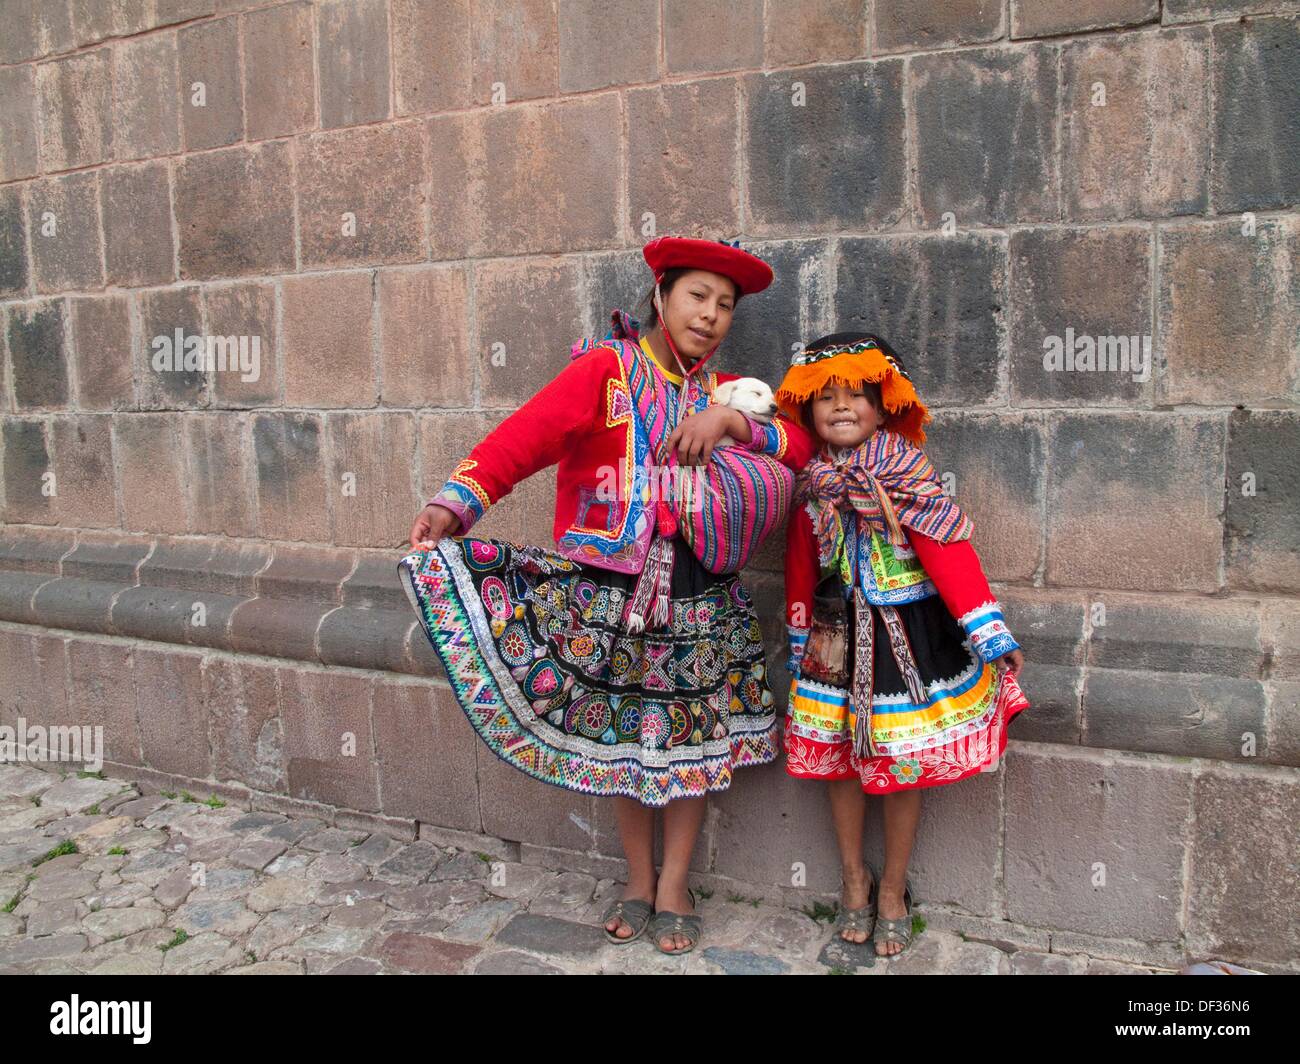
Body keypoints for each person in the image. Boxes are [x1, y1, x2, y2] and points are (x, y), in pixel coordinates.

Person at [399, 236, 814, 955]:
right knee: (627, 740)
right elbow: (524, 438)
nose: (710, 316)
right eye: (697, 297)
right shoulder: (607, 371)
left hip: (700, 593)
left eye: (724, 306)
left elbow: (798, 450)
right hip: (611, 592)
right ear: (660, 295)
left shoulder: (732, 393)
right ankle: (636, 879)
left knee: (690, 740)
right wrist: (455, 504)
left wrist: (731, 423)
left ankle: (676, 884)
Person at [775, 332, 1030, 957]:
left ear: (885, 403)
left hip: (905, 642)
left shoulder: (906, 471)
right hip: (835, 641)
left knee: (900, 764)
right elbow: (801, 563)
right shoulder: (813, 484)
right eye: (825, 398)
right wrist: (799, 632)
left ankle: (893, 888)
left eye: (855, 395)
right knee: (837, 757)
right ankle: (852, 880)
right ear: (806, 411)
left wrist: (987, 630)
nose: (840, 407)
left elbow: (948, 550)